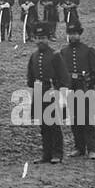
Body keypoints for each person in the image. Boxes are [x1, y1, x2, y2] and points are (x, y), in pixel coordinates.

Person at [56, 22, 95, 159]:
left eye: (76, 34)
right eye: (71, 34)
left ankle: (92, 149)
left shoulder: (88, 50)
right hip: (70, 88)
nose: (73, 36)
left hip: (85, 87)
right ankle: (79, 147)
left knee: (87, 119)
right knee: (74, 119)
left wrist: (94, 87)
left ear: (80, 34)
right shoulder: (63, 52)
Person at [26, 33, 68, 165]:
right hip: (39, 91)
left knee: (54, 124)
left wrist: (58, 91)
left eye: (42, 38)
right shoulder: (34, 56)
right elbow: (30, 76)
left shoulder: (55, 55)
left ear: (47, 39)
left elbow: (63, 77)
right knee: (43, 125)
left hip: (52, 92)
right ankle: (46, 154)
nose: (40, 41)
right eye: (38, 38)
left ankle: (57, 154)